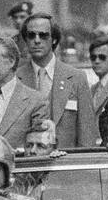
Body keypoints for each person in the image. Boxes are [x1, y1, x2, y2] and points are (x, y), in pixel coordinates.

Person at [16, 13, 98, 148]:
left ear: (54, 39)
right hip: (28, 163)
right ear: (26, 40)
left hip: (66, 164)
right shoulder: (16, 79)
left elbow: (87, 134)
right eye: (31, 35)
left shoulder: (77, 78)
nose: (37, 40)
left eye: (43, 35)